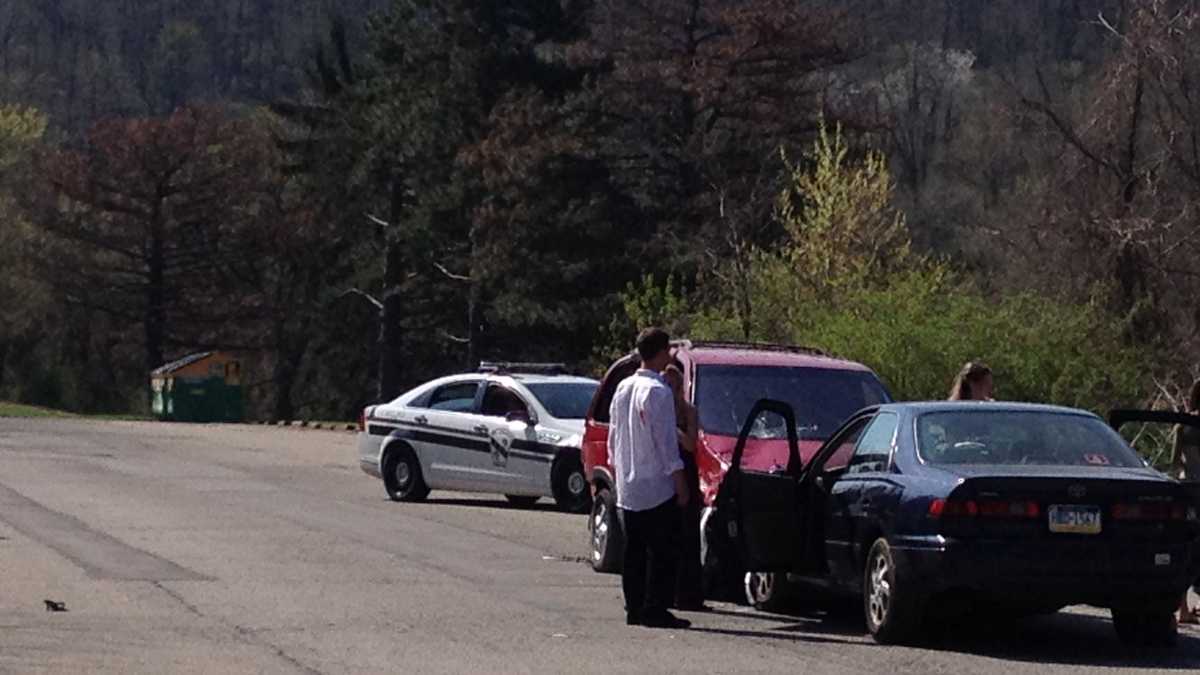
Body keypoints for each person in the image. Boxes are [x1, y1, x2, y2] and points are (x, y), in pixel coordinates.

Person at [608, 327, 691, 629]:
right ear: (659, 352)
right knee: (662, 550)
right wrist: (679, 480)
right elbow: (666, 442)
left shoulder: (623, 388)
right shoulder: (657, 391)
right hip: (655, 482)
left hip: (629, 484)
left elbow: (613, 435)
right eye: (667, 350)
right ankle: (655, 607)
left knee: (634, 551)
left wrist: (616, 466)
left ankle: (634, 606)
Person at [663, 364, 708, 612]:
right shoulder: (656, 408)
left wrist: (674, 429)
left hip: (685, 466)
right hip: (664, 473)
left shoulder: (688, 411)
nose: (669, 389)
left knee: (687, 534)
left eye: (673, 385)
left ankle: (689, 593)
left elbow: (691, 444)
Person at [1174, 379, 1200, 625]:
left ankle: (1183, 607)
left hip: (1186, 484)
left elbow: (1175, 459)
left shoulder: (1184, 423)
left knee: (1186, 543)